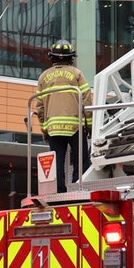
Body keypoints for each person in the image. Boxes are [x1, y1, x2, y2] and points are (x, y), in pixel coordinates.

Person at [35, 39, 93, 192]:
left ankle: (59, 190)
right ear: (71, 57)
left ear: (52, 57)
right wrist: (89, 125)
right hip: (75, 126)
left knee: (57, 161)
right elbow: (86, 100)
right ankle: (76, 188)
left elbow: (39, 107)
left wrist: (44, 129)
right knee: (81, 160)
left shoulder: (43, 77)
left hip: (53, 128)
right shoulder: (77, 74)